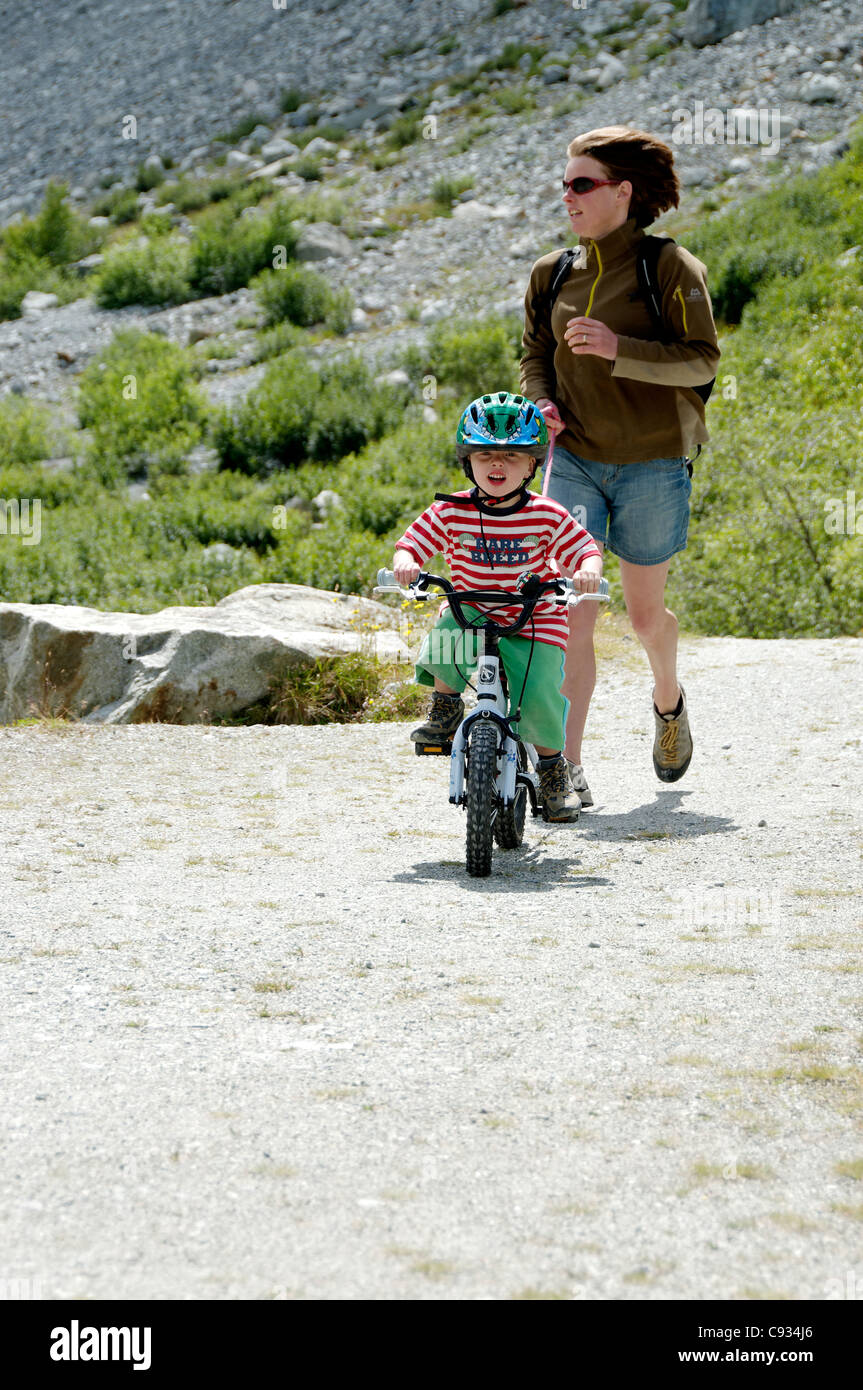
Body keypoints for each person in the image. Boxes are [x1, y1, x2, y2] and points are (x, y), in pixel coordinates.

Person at [520, 125, 720, 807]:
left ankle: (667, 701)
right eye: (564, 183)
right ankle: (563, 769)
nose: (566, 196)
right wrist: (541, 405)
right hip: (571, 460)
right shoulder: (551, 274)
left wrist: (616, 347)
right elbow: (533, 358)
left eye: (581, 183)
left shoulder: (667, 268)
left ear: (622, 192)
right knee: (571, 609)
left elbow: (701, 361)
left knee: (641, 618)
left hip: (652, 464)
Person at [392, 391, 603, 823]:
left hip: (532, 618)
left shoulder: (546, 514)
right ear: (467, 461)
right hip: (471, 610)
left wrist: (587, 570)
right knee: (444, 641)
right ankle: (446, 710)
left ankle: (551, 769)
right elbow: (413, 541)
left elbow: (584, 548)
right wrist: (407, 562)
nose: (497, 465)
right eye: (485, 454)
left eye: (512, 455)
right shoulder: (451, 509)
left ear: (532, 465)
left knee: (543, 689)